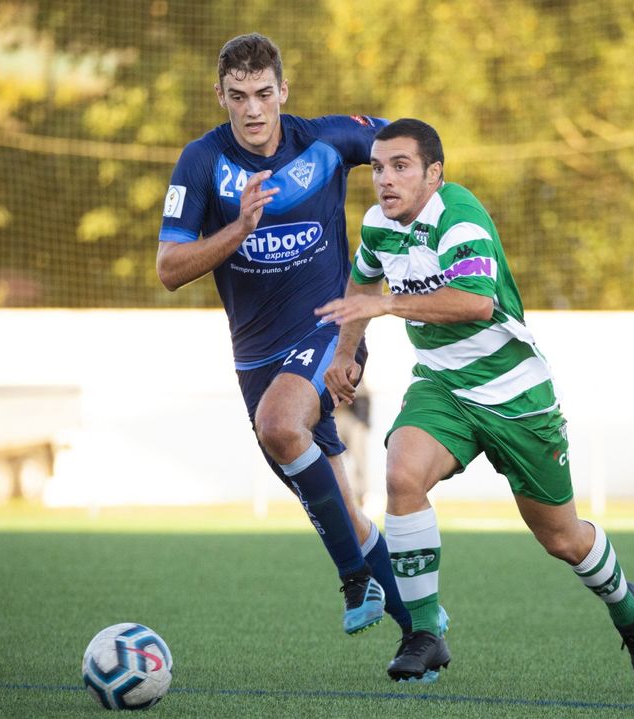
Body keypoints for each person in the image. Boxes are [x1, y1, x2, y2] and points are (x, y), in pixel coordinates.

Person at [317, 119, 634, 687]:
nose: (385, 179)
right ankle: (426, 633)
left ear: (435, 174)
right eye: (378, 167)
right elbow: (359, 289)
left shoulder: (460, 216)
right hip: (444, 388)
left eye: (401, 166)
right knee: (402, 475)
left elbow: (475, 303)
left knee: (562, 538)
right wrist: (345, 356)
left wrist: (386, 307)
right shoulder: (379, 224)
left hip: (515, 397)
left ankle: (630, 612)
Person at [155, 33, 414, 637]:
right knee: (345, 515)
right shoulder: (200, 162)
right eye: (239, 96)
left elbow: (407, 147)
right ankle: (421, 631)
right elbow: (168, 269)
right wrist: (238, 229)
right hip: (255, 359)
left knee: (279, 423)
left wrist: (429, 214)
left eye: (264, 94)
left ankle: (354, 579)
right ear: (220, 95)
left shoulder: (326, 139)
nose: (252, 109)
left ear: (283, 92)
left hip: (328, 328)